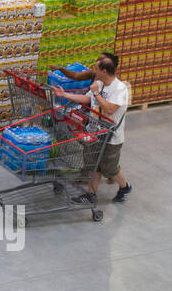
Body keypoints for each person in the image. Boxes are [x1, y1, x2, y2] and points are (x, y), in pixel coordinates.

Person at [52, 56, 133, 204]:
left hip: (112, 137)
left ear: (104, 71)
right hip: (96, 132)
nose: (92, 70)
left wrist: (96, 93)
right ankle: (90, 195)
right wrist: (64, 95)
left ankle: (125, 187)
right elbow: (87, 99)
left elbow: (109, 109)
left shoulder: (120, 89)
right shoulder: (100, 83)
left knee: (109, 169)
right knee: (93, 165)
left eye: (96, 68)